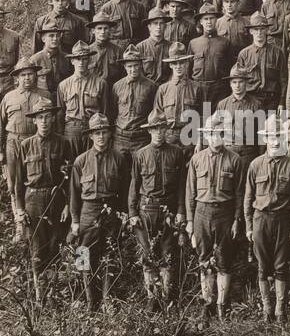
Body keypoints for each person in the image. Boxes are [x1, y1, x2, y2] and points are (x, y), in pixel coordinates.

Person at [244, 115, 290, 323]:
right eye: (270, 136)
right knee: (263, 266)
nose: (274, 141)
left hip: (283, 220)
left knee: (281, 265)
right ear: (265, 139)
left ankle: (280, 308)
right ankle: (266, 308)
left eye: (278, 136)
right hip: (260, 220)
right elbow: (248, 197)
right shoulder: (255, 165)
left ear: (284, 139)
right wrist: (248, 225)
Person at [186, 115, 248, 323]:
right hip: (201, 213)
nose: (216, 138)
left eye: (220, 134)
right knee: (204, 259)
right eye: (212, 134)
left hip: (225, 213)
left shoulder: (235, 160)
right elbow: (190, 193)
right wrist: (189, 223)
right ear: (206, 136)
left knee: (224, 261)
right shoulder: (196, 159)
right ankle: (207, 303)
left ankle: (222, 304)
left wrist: (237, 219)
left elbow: (240, 193)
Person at [69, 114, 131, 311]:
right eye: (97, 133)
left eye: (104, 132)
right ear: (91, 136)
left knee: (110, 253)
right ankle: (86, 298)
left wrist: (123, 215)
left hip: (111, 210)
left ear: (110, 134)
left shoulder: (119, 159)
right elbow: (74, 195)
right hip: (88, 210)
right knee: (83, 254)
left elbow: (124, 191)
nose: (101, 136)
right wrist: (75, 220)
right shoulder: (81, 161)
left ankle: (107, 299)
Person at [129, 109, 187, 310]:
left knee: (167, 254)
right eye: (155, 129)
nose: (159, 133)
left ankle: (166, 297)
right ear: (149, 131)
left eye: (162, 128)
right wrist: (132, 213)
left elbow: (181, 186)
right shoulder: (140, 154)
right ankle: (151, 297)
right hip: (146, 209)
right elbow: (134, 185)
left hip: (168, 209)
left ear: (167, 129)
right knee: (147, 255)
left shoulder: (177, 153)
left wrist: (180, 210)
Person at [11, 98, 73, 272]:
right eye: (40, 117)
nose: (44, 121)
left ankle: (55, 291)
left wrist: (68, 204)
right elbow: (18, 181)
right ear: (34, 120)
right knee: (37, 249)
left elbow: (69, 178)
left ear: (53, 118)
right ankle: (39, 293)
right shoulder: (25, 145)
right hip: (34, 200)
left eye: (47, 117)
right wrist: (20, 210)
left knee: (56, 245)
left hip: (57, 199)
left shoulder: (63, 143)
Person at [0, 57, 42, 197]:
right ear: (17, 78)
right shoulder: (9, 97)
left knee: (34, 177)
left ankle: (31, 210)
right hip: (14, 142)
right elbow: (0, 124)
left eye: (30, 74)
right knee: (14, 181)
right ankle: (18, 214)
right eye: (23, 75)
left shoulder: (44, 95)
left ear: (35, 75)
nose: (27, 78)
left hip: (35, 142)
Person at [59, 41, 113, 155]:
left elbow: (105, 111)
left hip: (93, 128)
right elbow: (60, 114)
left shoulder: (100, 83)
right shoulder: (63, 85)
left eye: (84, 59)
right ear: (72, 61)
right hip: (72, 130)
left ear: (89, 60)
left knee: (93, 162)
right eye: (78, 59)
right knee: (73, 165)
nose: (81, 62)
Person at [234, 12, 287, 112]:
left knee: (273, 127)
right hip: (251, 100)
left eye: (262, 29)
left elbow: (283, 80)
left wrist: (282, 102)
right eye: (256, 29)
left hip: (272, 101)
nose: (259, 33)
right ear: (251, 31)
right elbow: (239, 81)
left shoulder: (277, 52)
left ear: (267, 30)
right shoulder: (244, 54)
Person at [190, 6, 236, 114]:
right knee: (201, 121)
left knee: (218, 121)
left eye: (211, 18)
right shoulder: (193, 43)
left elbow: (231, 67)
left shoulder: (225, 43)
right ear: (201, 21)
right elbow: (188, 68)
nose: (209, 22)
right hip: (199, 89)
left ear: (216, 20)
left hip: (219, 90)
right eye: (206, 19)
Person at [155, 42, 202, 145]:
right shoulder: (163, 89)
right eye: (175, 63)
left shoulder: (197, 88)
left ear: (186, 64)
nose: (178, 66)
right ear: (170, 65)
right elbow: (157, 117)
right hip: (169, 138)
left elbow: (203, 117)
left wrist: (199, 142)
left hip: (190, 136)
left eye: (181, 63)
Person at [111, 46, 156, 154]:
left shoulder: (151, 86)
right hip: (120, 138)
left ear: (141, 65)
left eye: (136, 65)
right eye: (130, 66)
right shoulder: (117, 86)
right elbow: (112, 112)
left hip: (141, 137)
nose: (133, 69)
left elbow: (154, 111)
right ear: (125, 67)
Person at [217, 66, 263, 166]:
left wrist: (260, 157)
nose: (237, 85)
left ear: (246, 83)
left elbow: (261, 134)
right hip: (228, 153)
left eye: (240, 82)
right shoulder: (222, 104)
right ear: (230, 84)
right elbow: (217, 131)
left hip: (249, 154)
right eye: (234, 82)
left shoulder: (256, 105)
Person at [0, 6, 21, 148]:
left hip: (8, 80)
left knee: (9, 115)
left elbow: (17, 59)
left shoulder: (14, 36)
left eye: (0, 17)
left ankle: (6, 149)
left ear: (4, 18)